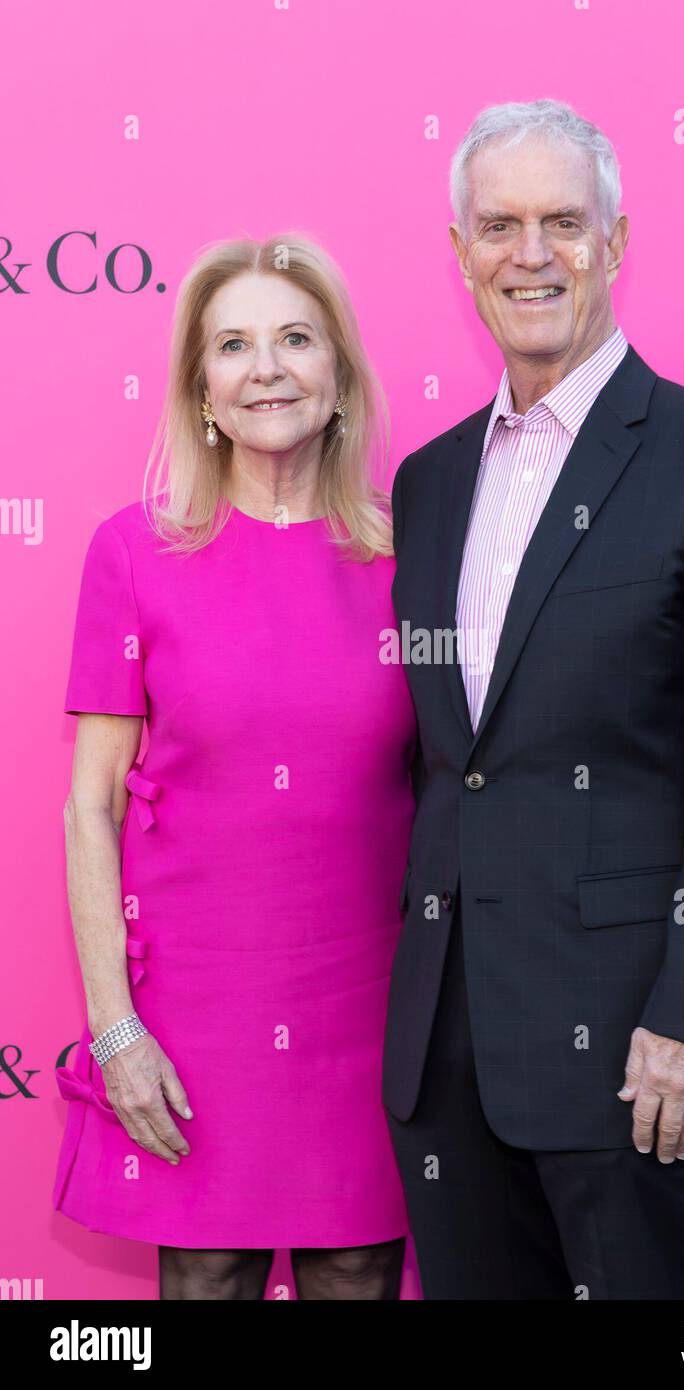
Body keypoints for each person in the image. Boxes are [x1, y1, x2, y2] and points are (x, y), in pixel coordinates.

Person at [382, 99, 684, 1300]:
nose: (531, 253)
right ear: (460, 254)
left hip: (634, 1056)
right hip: (446, 1060)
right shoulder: (427, 484)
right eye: (499, 225)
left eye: (562, 222)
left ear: (615, 243)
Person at [53, 234, 416, 1300]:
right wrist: (114, 1027)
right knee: (205, 1271)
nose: (266, 367)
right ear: (202, 390)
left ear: (338, 376)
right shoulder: (132, 554)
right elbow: (88, 809)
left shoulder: (414, 560)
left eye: (295, 338)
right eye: (234, 345)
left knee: (357, 1264)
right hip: (193, 1009)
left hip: (369, 999)